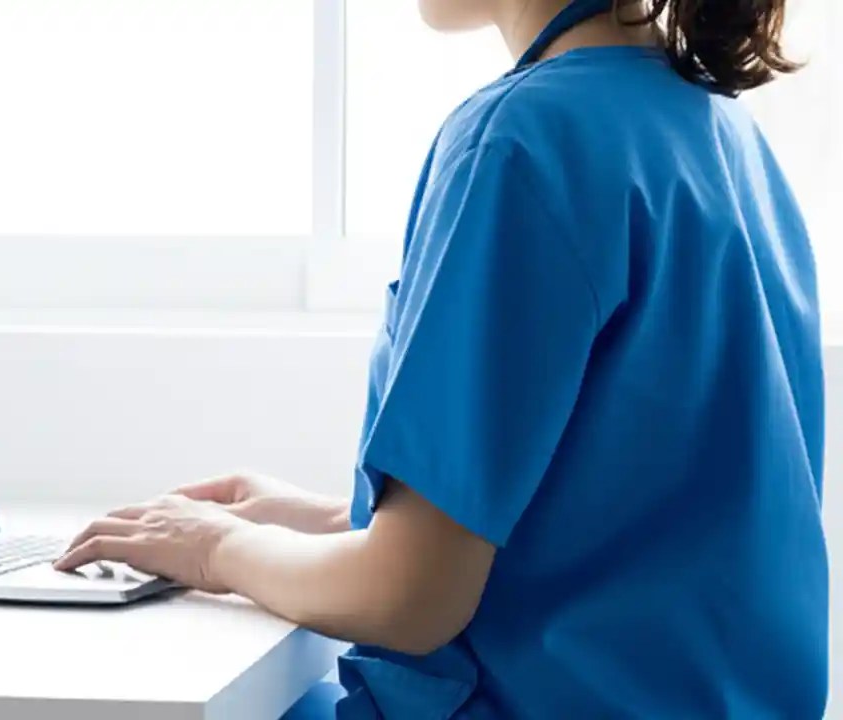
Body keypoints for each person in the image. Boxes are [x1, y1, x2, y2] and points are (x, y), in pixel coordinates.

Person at [54, 0, 827, 716]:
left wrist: (214, 547)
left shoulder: (522, 138)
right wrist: (331, 521)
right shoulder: (720, 129)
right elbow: (624, 523)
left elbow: (411, 600)